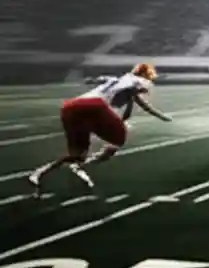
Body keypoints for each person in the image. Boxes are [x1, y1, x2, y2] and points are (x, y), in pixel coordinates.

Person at [28, 63, 172, 191]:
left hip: (71, 106)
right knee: (118, 140)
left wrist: (160, 116)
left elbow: (134, 101)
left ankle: (39, 173)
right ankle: (80, 166)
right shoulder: (138, 81)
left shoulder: (116, 79)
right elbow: (137, 97)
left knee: (77, 155)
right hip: (95, 106)